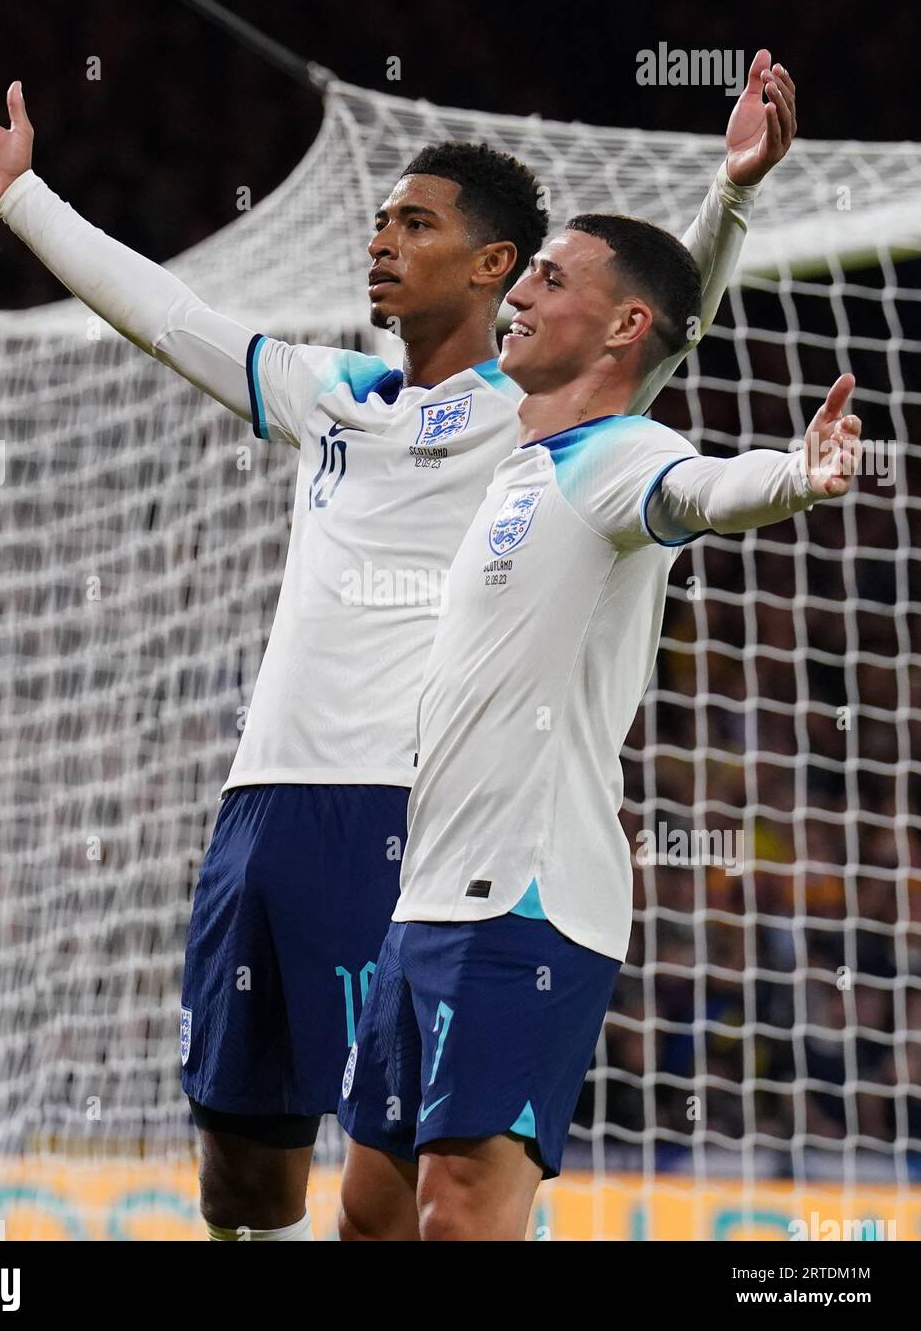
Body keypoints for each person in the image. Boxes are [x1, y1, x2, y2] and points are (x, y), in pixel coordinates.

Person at [0, 50, 796, 1240]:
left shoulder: (533, 413)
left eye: (412, 223)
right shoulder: (337, 394)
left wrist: (728, 195)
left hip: (400, 813)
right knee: (241, 1176)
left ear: (494, 266)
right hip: (259, 814)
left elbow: (651, 332)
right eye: (379, 220)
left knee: (418, 1186)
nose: (378, 240)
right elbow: (170, 320)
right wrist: (22, 195)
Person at [336, 205, 862, 1241]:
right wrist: (729, 190)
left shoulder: (623, 454)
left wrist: (794, 476)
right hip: (427, 898)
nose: (516, 293)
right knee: (368, 1220)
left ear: (622, 328)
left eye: (546, 278)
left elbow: (699, 491)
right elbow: (671, 318)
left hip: (523, 904)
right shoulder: (520, 462)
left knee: (457, 1219)